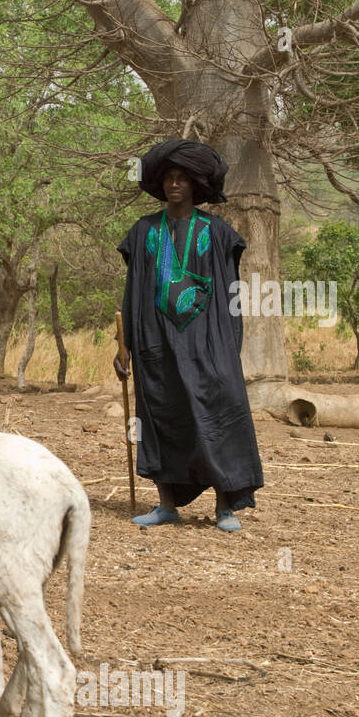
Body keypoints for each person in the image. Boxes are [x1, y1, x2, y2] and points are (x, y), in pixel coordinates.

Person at [114, 139, 264, 532]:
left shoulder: (216, 232)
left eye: (182, 178)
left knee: (217, 415)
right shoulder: (144, 230)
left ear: (196, 185)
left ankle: (224, 507)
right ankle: (166, 505)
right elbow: (132, 293)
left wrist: (231, 346)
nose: (174, 185)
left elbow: (231, 293)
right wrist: (124, 346)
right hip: (156, 344)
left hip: (207, 344)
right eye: (169, 178)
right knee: (163, 417)